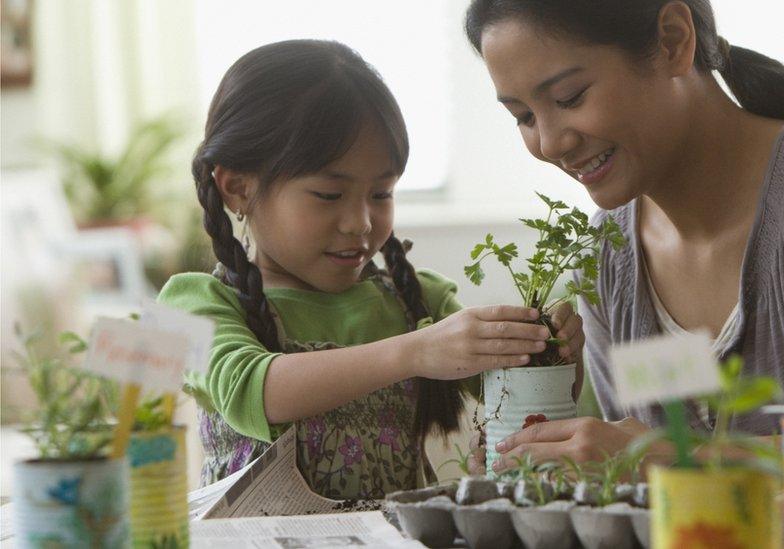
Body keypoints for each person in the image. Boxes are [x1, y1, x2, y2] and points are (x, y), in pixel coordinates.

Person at [464, 0, 784, 510]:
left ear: (673, 40)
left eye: (570, 97)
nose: (550, 143)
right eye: (524, 117)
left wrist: (684, 461)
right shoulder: (609, 257)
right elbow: (651, 474)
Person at [157, 39, 584, 499]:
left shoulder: (421, 301)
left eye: (381, 194)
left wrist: (551, 352)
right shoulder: (193, 304)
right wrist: (414, 352)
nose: (360, 222)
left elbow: (519, 396)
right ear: (238, 188)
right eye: (329, 195)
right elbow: (251, 392)